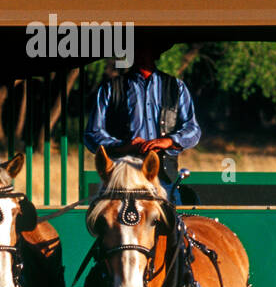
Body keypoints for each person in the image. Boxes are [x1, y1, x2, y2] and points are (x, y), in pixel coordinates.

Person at [83, 34, 200, 184]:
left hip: (164, 174)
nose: (138, 52)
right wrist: (123, 146)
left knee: (173, 205)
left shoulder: (176, 87)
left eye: (144, 48)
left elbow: (193, 129)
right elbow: (92, 134)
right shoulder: (111, 88)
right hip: (124, 175)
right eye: (133, 47)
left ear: (155, 52)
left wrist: (168, 141)